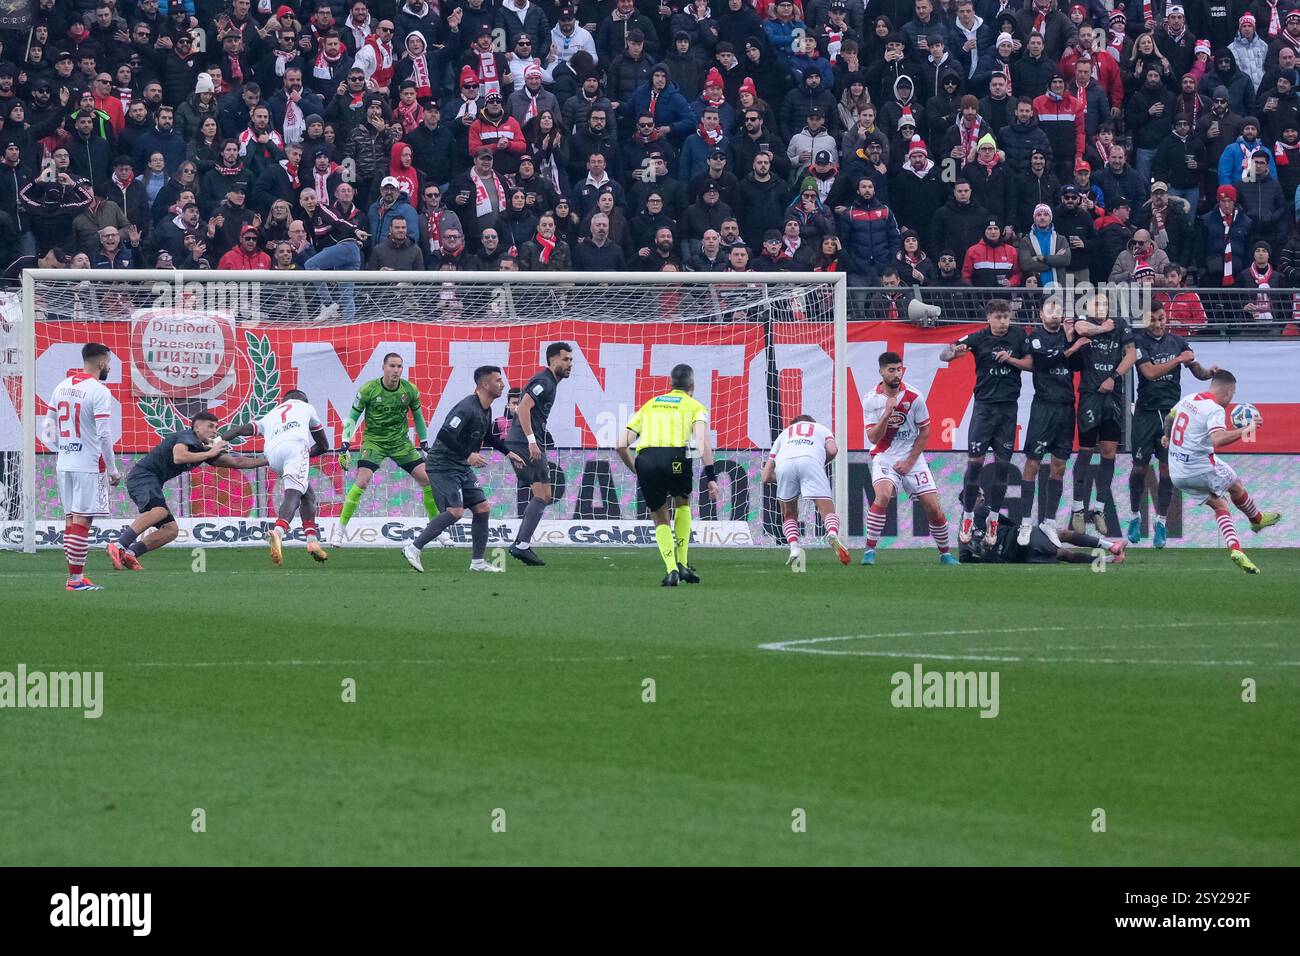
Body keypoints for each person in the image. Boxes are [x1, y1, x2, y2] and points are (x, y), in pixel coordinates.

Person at [402, 367, 526, 573]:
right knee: (455, 512)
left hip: (461, 466)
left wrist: (508, 452)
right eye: (498, 380)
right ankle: (413, 547)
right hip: (443, 465)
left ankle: (477, 562)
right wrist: (468, 455)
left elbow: (487, 435)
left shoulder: (486, 408)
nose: (502, 384)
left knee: (482, 509)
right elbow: (445, 434)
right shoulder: (467, 407)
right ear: (485, 385)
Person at [108, 412, 266, 570]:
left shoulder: (202, 448)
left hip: (152, 481)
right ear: (197, 427)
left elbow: (236, 461)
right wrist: (210, 452)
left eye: (216, 428)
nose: (215, 431)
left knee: (171, 530)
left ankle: (131, 553)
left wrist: (268, 460)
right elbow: (179, 456)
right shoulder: (187, 436)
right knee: (160, 512)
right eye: (210, 426)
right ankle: (119, 545)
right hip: (142, 477)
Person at [1166, 370, 1281, 574]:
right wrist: (1248, 428)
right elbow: (1217, 439)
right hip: (1199, 467)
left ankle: (1237, 548)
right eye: (1233, 394)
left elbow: (1169, 419)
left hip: (1177, 471)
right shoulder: (1215, 409)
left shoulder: (1189, 399)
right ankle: (1256, 520)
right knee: (1235, 485)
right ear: (1228, 392)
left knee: (1219, 503)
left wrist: (1166, 437)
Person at [616, 364, 721, 587]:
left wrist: (636, 469)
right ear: (691, 386)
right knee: (682, 504)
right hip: (676, 457)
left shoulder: (651, 404)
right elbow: (701, 441)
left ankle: (671, 569)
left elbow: (620, 444)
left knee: (659, 517)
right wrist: (711, 476)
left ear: (670, 385)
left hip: (646, 458)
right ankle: (682, 563)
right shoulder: (695, 406)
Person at [1126, 304, 1217, 547]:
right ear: (1146, 321)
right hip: (1145, 412)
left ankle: (1161, 523)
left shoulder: (1178, 341)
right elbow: (1149, 373)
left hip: (1172, 414)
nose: (1157, 324)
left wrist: (1209, 373)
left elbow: (1195, 369)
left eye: (1161, 319)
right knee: (1139, 469)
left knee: (1168, 471)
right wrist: (1178, 359)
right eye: (1153, 319)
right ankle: (1134, 516)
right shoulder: (1137, 343)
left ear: (1167, 319)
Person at [940, 298, 1028, 544]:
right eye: (998, 317)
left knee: (1002, 467)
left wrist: (1011, 360)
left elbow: (1032, 363)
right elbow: (944, 354)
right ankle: (967, 516)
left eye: (1006, 317)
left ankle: (993, 519)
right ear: (988, 318)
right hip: (984, 409)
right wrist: (954, 353)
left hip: (1008, 410)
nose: (1002, 322)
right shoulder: (977, 338)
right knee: (976, 463)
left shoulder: (1019, 336)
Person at [332, 353, 443, 548]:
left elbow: (418, 416)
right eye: (392, 366)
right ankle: (339, 531)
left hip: (401, 443)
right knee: (362, 481)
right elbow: (352, 418)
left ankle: (437, 530)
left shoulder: (409, 390)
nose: (396, 370)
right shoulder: (368, 389)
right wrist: (345, 442)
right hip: (374, 442)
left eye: (399, 366)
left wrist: (424, 442)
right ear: (383, 368)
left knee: (427, 479)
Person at [860, 352, 958, 567]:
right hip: (885, 456)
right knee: (883, 496)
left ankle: (945, 554)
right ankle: (869, 551)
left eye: (899, 369)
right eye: (891, 370)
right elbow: (873, 437)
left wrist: (909, 462)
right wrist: (886, 414)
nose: (896, 374)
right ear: (881, 372)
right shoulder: (871, 399)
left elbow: (925, 431)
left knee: (933, 508)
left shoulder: (915, 397)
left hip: (912, 457)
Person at [43, 344, 120, 591]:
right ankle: (75, 580)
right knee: (82, 522)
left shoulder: (61, 386)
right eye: (108, 362)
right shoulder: (98, 391)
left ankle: (76, 576)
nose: (109, 366)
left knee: (71, 521)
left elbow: (47, 428)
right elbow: (104, 434)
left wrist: (63, 447)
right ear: (101, 363)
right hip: (87, 464)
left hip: (64, 463)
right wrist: (112, 468)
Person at [224, 390, 331, 565]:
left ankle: (312, 541)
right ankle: (278, 532)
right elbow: (323, 445)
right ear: (304, 400)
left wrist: (218, 440)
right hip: (295, 448)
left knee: (308, 495)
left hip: (272, 455)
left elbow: (240, 429)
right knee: (294, 494)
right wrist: (304, 455)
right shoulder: (306, 407)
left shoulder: (271, 414)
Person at [1018, 299, 1090, 542]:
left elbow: (1078, 366)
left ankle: (1049, 522)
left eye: (1058, 311)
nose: (1055, 315)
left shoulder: (1066, 335)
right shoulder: (1035, 337)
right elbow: (1043, 362)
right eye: (1050, 311)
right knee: (1033, 463)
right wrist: (1070, 348)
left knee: (1059, 466)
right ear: (1041, 314)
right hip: (1044, 407)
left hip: (1066, 407)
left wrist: (1071, 340)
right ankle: (1026, 522)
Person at [1070, 294, 1138, 536]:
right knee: (1086, 452)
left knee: (1109, 452)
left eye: (1104, 304)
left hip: (1112, 396)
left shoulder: (1120, 325)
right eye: (1096, 304)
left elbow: (1131, 355)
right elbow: (1080, 327)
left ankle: (1099, 509)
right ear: (1088, 308)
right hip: (1089, 395)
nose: (1101, 308)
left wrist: (1113, 378)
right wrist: (1100, 328)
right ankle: (1078, 508)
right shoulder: (1084, 323)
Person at [504, 343, 574, 566]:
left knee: (544, 494)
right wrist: (532, 441)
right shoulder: (544, 381)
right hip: (525, 443)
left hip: (526, 441)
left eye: (571, 360)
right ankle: (521, 545)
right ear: (552, 360)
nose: (569, 364)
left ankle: (522, 544)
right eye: (565, 359)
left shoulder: (550, 382)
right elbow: (523, 408)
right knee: (543, 494)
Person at [760, 414, 850, 568]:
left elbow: (765, 476)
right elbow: (833, 450)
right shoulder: (821, 428)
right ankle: (833, 533)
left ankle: (794, 548)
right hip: (811, 461)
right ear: (812, 423)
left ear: (793, 425)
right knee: (827, 509)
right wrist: (817, 465)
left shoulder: (784, 434)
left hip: (784, 465)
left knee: (789, 514)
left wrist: (783, 478)